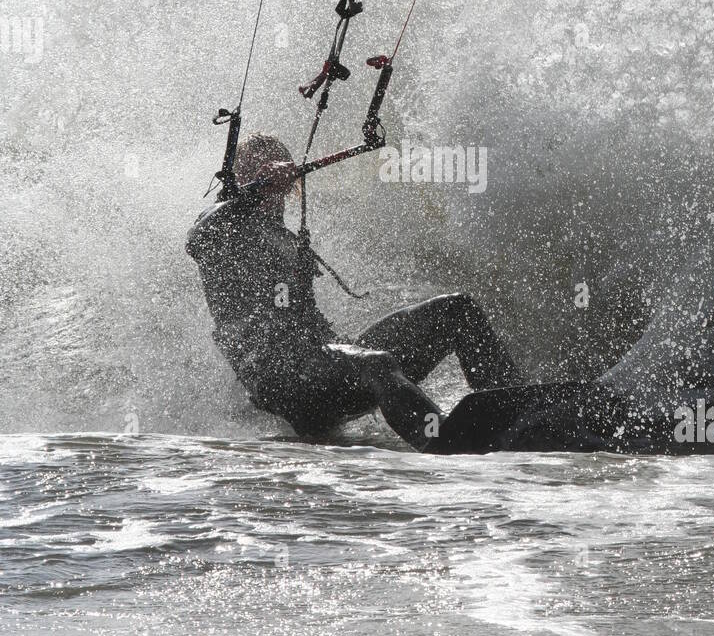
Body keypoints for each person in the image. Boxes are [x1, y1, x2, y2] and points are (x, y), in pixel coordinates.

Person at [186, 133, 522, 448]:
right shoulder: (224, 232)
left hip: (322, 365)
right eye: (255, 171)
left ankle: (518, 418)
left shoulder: (288, 239)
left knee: (456, 310)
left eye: (274, 171)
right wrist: (252, 191)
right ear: (236, 181)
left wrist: (339, 348)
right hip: (281, 381)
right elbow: (198, 234)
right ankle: (452, 447)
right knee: (375, 364)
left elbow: (306, 320)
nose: (272, 181)